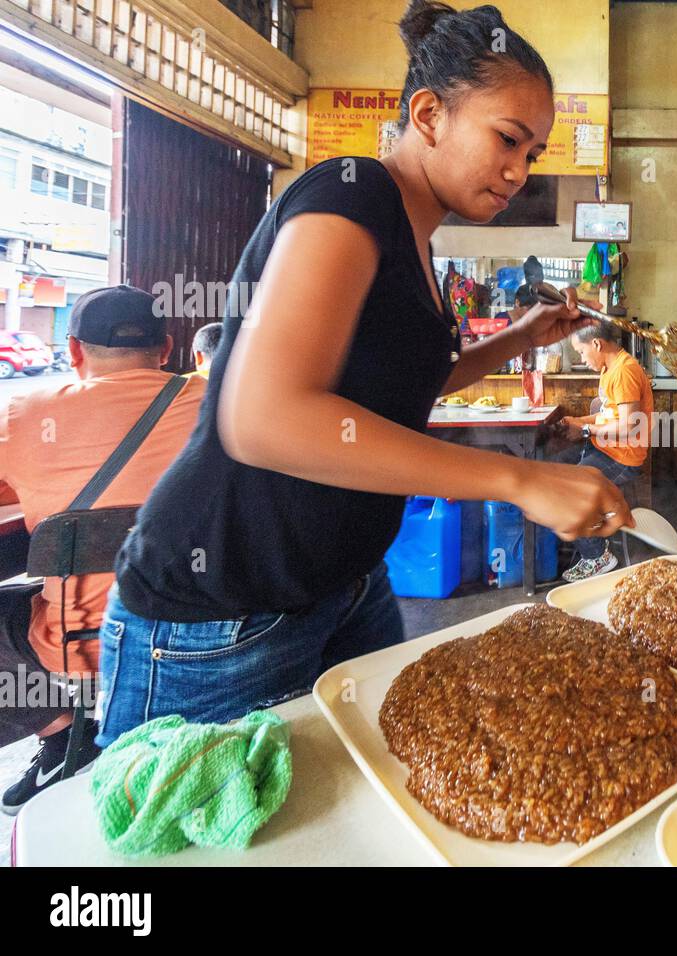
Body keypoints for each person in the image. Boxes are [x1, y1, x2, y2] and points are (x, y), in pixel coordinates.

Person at [95, 1, 632, 748]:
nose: (519, 171)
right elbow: (262, 416)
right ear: (429, 113)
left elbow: (396, 389)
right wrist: (517, 480)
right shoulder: (351, 192)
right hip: (223, 615)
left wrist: (519, 337)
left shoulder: (418, 237)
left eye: (534, 153)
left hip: (346, 588)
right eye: (508, 139)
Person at [0, 285, 205, 811]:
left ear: (72, 351)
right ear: (166, 348)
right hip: (209, 634)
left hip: (77, 647)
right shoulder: (217, 403)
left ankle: (59, 728)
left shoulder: (23, 413)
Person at [556, 320, 653, 581]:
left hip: (623, 457)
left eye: (581, 351)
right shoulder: (609, 368)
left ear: (597, 344)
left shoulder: (624, 371)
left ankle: (597, 556)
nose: (582, 358)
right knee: (552, 470)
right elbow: (606, 415)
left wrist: (586, 431)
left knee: (572, 489)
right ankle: (583, 539)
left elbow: (629, 427)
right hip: (604, 448)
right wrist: (579, 422)